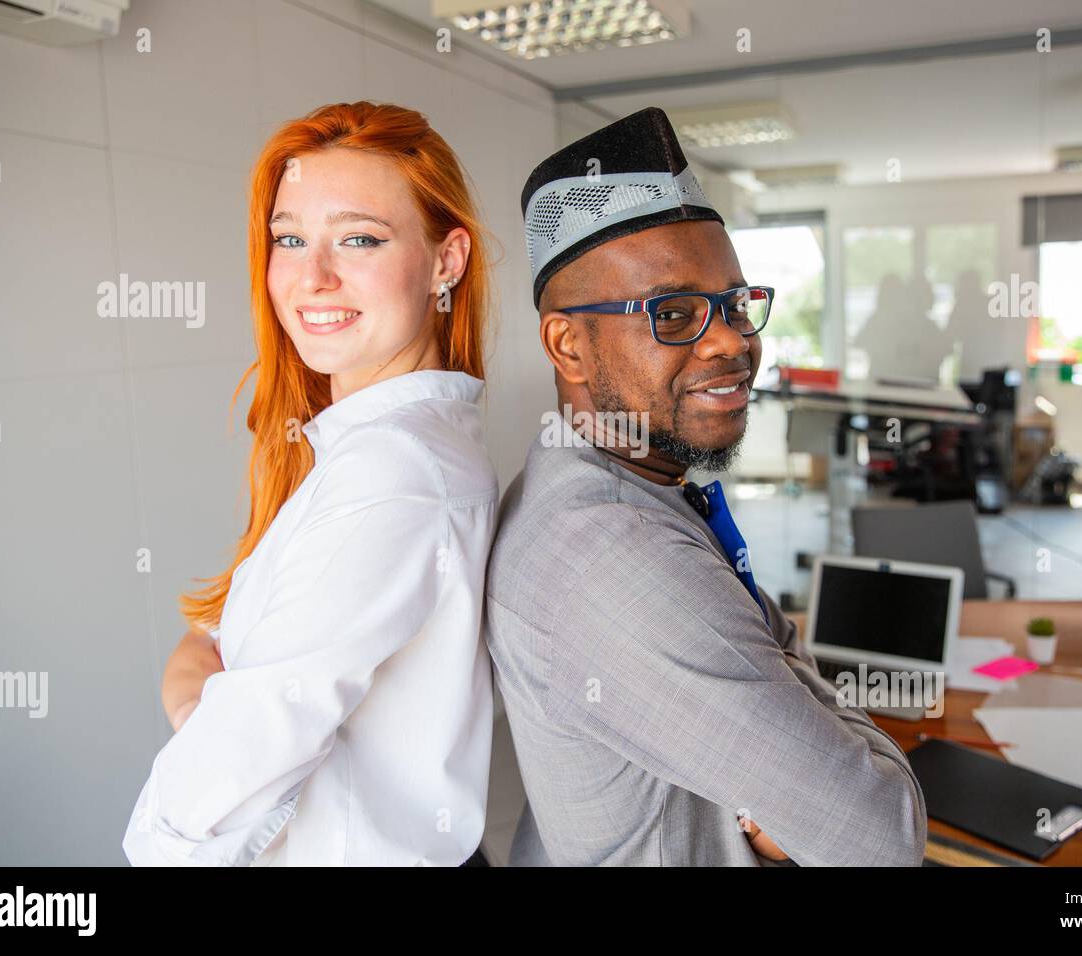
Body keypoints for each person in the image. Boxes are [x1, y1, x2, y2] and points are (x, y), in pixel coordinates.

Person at [485, 107, 927, 866]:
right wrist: (839, 742)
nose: (729, 340)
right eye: (674, 313)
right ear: (569, 345)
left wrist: (787, 692)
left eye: (733, 304)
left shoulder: (614, 477)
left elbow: (770, 645)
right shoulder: (611, 552)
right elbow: (880, 836)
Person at [122, 102, 498, 866]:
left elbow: (238, 751)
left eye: (359, 238)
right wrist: (219, 707)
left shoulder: (394, 471)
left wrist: (215, 720)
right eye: (289, 238)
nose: (313, 277)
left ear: (446, 261)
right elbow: (211, 645)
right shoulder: (366, 448)